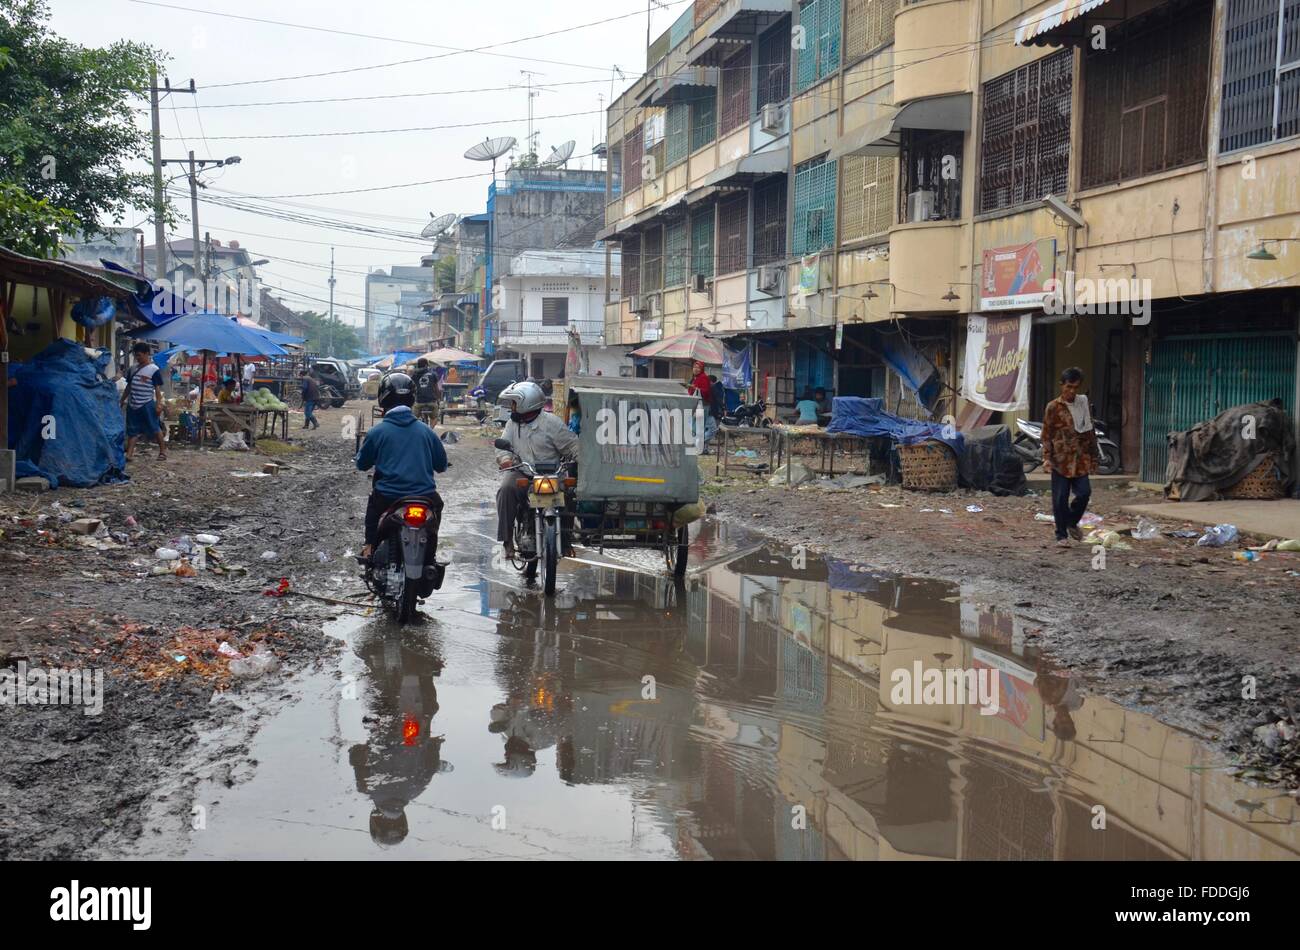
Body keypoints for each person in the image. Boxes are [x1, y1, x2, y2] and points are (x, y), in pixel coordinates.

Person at [355, 372, 449, 560]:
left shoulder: (377, 432)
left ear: (383, 398)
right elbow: (441, 465)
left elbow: (362, 464)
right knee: (437, 508)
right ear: (412, 398)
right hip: (425, 497)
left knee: (373, 506)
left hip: (388, 497)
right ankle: (430, 553)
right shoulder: (427, 432)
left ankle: (369, 546)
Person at [495, 380, 579, 558]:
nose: (512, 407)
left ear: (527, 403)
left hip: (552, 474)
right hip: (523, 471)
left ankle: (565, 540)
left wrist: (579, 460)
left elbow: (572, 446)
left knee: (569, 495)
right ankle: (507, 539)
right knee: (505, 490)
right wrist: (505, 459)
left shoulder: (552, 423)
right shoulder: (512, 424)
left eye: (515, 403)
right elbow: (502, 447)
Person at [1042, 366, 1100, 547]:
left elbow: (1090, 431)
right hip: (1060, 460)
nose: (1072, 391)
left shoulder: (1083, 404)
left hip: (1080, 459)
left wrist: (1094, 456)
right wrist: (1046, 457)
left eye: (1075, 387)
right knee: (1060, 499)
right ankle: (1061, 536)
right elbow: (1046, 434)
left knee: (1084, 493)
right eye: (1068, 387)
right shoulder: (1053, 407)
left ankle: (1071, 522)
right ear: (1062, 385)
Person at [122, 343, 167, 461]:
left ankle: (162, 452)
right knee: (132, 430)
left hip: (147, 403)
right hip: (133, 404)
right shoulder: (132, 369)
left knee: (155, 428)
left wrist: (158, 404)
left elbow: (157, 388)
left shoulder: (154, 369)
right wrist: (122, 400)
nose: (138, 358)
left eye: (140, 355)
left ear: (147, 354)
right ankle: (129, 454)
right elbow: (129, 386)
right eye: (136, 356)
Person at [412, 357, 439, 422]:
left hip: (419, 402)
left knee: (413, 419)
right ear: (426, 365)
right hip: (431, 401)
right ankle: (430, 429)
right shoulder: (433, 374)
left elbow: (412, 388)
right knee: (435, 418)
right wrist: (438, 399)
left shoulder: (415, 374)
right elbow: (436, 389)